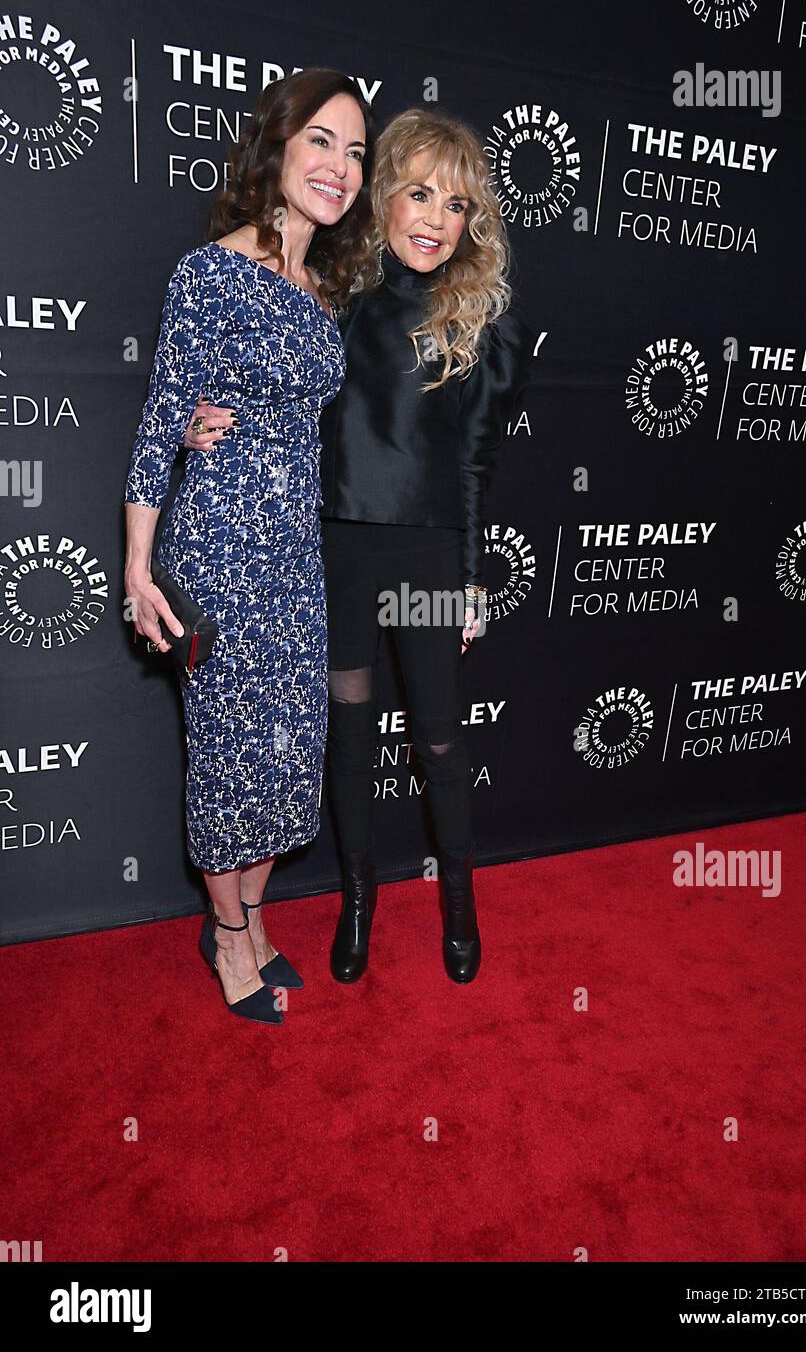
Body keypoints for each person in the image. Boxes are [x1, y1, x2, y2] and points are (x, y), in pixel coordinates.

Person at [184, 107, 533, 986]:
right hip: (336, 549)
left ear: (471, 222)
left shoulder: (483, 327)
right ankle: (358, 902)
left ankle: (459, 903)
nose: (433, 218)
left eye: (454, 205)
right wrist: (198, 424)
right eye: (417, 194)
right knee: (348, 737)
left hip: (427, 558)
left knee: (443, 742)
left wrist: (467, 581)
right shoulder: (333, 301)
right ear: (383, 199)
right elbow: (272, 393)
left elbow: (475, 469)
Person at [123, 70, 373, 1024]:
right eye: (321, 141)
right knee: (230, 756)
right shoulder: (210, 272)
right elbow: (158, 424)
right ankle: (228, 938)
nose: (339, 167)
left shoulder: (322, 289)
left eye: (354, 152)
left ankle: (256, 919)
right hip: (223, 547)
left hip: (296, 558)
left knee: (285, 754)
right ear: (277, 147)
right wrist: (141, 568)